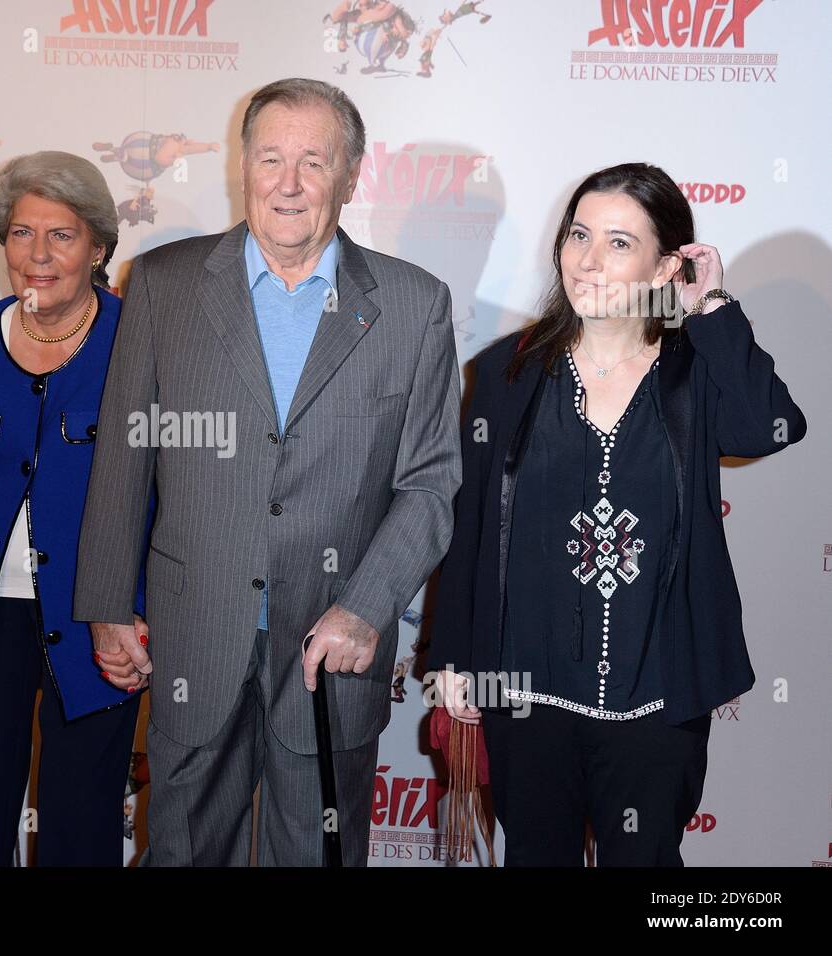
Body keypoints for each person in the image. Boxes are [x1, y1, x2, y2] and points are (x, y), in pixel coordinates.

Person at [74, 78, 462, 866]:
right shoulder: (163, 284)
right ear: (240, 165)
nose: (288, 183)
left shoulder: (415, 306)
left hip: (332, 648)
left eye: (313, 162)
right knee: (180, 852)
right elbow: (123, 453)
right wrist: (108, 605)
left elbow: (429, 484)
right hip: (194, 636)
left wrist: (366, 607)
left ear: (351, 176)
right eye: (270, 158)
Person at [427, 163, 807, 866]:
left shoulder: (697, 370)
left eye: (620, 243)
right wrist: (454, 657)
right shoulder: (506, 372)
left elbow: (769, 427)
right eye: (579, 235)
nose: (589, 261)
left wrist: (714, 308)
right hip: (527, 694)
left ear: (667, 263)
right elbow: (470, 526)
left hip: (657, 699)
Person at [0, 151, 144, 867]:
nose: (38, 255)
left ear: (100, 246)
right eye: (21, 233)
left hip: (99, 621)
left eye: (63, 235)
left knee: (82, 827)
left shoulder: (142, 343)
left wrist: (140, 612)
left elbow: (171, 496)